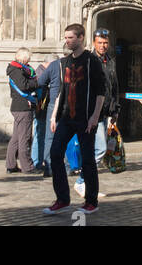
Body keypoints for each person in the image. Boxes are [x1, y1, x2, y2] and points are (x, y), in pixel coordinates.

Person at [43, 23, 105, 216]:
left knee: (87, 160)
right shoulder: (65, 62)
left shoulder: (91, 61)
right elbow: (62, 90)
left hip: (85, 118)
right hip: (67, 117)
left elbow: (101, 92)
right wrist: (54, 116)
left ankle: (91, 201)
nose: (67, 41)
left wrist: (94, 117)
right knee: (55, 154)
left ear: (80, 38)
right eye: (66, 38)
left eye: (70, 38)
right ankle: (62, 199)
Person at [6, 47, 39, 174]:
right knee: (24, 138)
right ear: (24, 58)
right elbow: (23, 86)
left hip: (18, 107)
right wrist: (36, 82)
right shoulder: (17, 71)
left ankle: (11, 165)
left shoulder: (15, 69)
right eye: (28, 58)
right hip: (23, 107)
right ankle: (27, 166)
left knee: (16, 137)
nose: (29, 61)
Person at [33, 50, 65, 177]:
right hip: (68, 103)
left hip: (53, 102)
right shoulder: (74, 64)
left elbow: (40, 82)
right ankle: (66, 167)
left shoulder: (53, 65)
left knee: (49, 137)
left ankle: (49, 168)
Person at [91, 28, 120, 168]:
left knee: (98, 145)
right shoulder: (89, 60)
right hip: (91, 110)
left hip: (105, 110)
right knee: (101, 147)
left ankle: (88, 173)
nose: (103, 46)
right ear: (94, 43)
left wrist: (115, 110)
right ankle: (85, 174)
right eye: (100, 42)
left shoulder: (110, 61)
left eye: (105, 43)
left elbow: (114, 87)